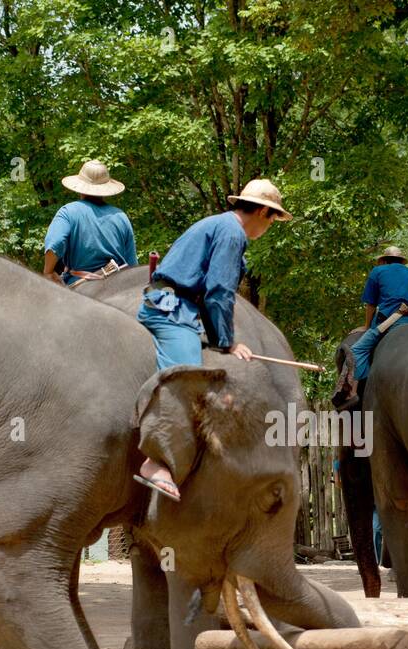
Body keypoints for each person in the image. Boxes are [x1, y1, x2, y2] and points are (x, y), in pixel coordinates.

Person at [133, 178, 293, 500]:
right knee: (187, 376)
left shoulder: (219, 225)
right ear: (263, 211)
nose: (270, 226)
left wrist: (221, 340)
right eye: (272, 219)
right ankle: (155, 461)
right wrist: (227, 342)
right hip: (170, 309)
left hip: (179, 305)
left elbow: (209, 293)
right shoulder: (233, 233)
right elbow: (219, 291)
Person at [42, 161, 138, 286]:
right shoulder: (121, 217)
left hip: (80, 283)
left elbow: (55, 242)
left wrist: (48, 272)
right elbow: (132, 266)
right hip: (118, 284)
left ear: (80, 187)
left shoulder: (68, 212)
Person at [350, 246, 408, 381]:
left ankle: (360, 390)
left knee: (356, 350)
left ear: (384, 261)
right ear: (402, 262)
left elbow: (371, 304)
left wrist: (367, 326)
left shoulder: (377, 271)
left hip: (389, 321)